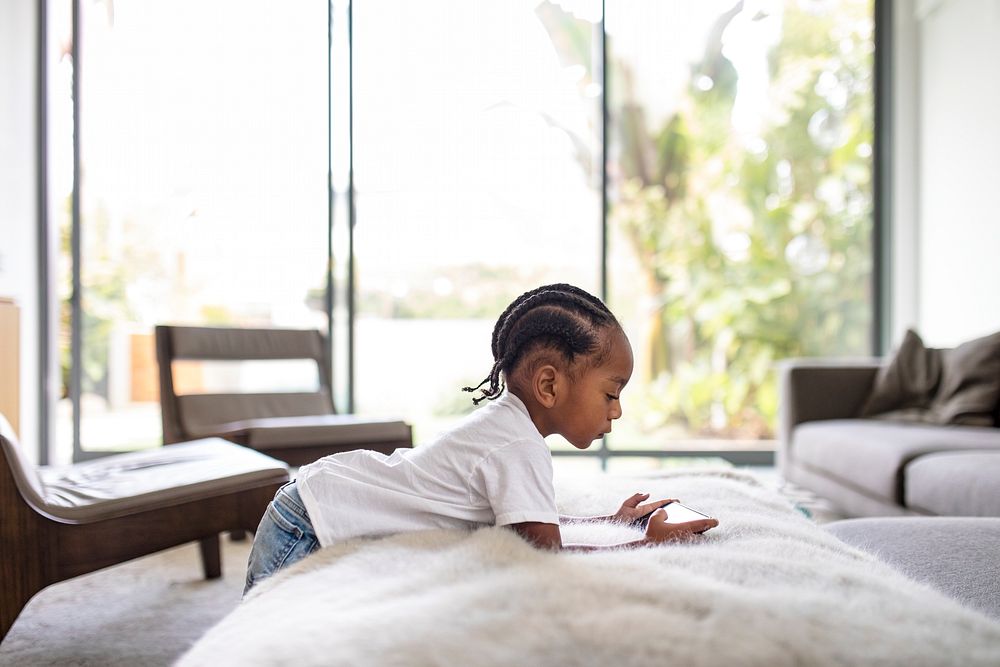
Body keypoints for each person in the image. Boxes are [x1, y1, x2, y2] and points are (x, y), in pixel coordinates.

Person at [244, 283, 718, 595]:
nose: (617, 410)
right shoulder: (518, 446)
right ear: (550, 386)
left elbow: (530, 523)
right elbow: (542, 554)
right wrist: (647, 544)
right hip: (307, 519)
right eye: (611, 393)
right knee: (259, 642)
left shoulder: (508, 426)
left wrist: (611, 521)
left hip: (313, 496)